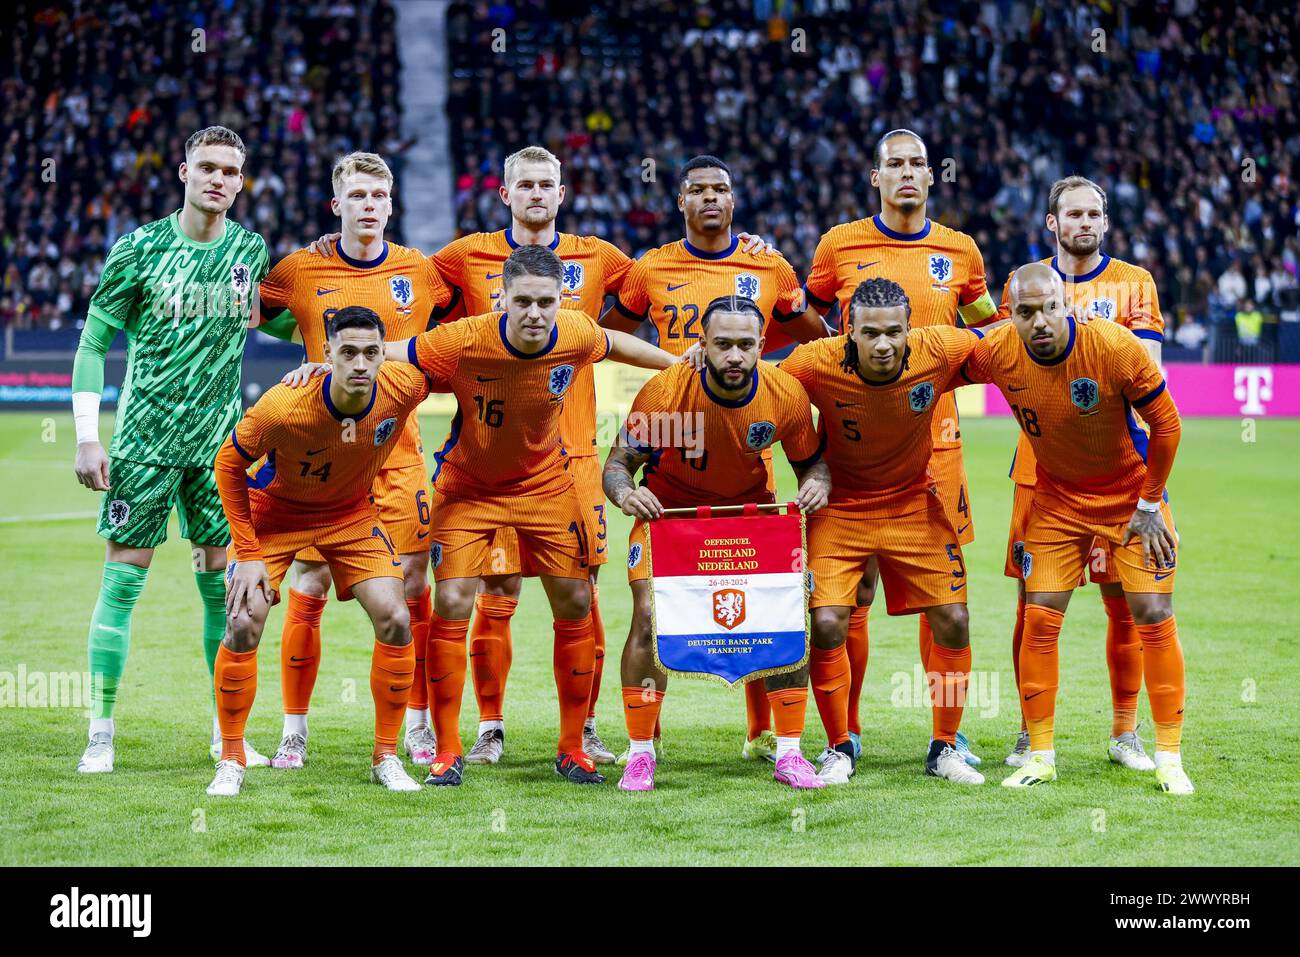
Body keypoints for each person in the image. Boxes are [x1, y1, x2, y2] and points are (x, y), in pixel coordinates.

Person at [383, 244, 680, 786]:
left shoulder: (574, 330)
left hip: (546, 485)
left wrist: (677, 364)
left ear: (561, 298)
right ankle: (447, 750)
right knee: (452, 600)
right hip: (469, 487)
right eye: (523, 302)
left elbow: (616, 343)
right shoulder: (464, 337)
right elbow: (391, 351)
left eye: (546, 301)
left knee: (574, 599)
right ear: (503, 297)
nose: (536, 313)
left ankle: (572, 746)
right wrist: (325, 365)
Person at [606, 154, 829, 763]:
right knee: (651, 615)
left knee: (771, 612)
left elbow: (819, 333)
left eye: (721, 189)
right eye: (697, 190)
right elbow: (608, 335)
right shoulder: (650, 267)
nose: (710, 198)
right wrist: (666, 367)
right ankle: (641, 745)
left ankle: (771, 740)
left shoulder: (768, 264)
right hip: (674, 444)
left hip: (745, 480)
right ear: (680, 201)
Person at [71, 126, 271, 774]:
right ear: (183, 171)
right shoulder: (140, 249)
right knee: (123, 584)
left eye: (229, 170)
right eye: (206, 166)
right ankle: (100, 730)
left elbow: (291, 318)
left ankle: (225, 730)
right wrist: (85, 434)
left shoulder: (250, 252)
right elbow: (93, 344)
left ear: (241, 182)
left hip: (220, 452)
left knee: (222, 594)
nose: (217, 178)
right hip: (143, 445)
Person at [254, 151, 455, 770]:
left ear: (391, 205)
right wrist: (306, 352)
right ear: (335, 205)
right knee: (309, 583)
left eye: (378, 196)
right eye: (357, 196)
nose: (368, 206)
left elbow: (446, 334)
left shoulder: (420, 272)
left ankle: (416, 725)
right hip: (324, 460)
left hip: (398, 457)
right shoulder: (298, 269)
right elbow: (254, 314)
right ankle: (294, 729)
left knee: (413, 586)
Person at [960, 263, 1193, 795]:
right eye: (1025, 312)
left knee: (1152, 612)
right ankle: (1040, 755)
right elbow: (943, 357)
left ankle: (1169, 757)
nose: (1039, 321)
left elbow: (1168, 423)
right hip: (1057, 503)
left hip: (1129, 501)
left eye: (1048, 308)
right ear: (1009, 315)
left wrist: (1152, 503)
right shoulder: (997, 350)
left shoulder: (1113, 347)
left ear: (1067, 303)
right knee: (1039, 617)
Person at [802, 129, 996, 766]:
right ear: (875, 176)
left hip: (937, 447)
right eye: (895, 165)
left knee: (938, 599)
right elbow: (807, 317)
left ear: (931, 176)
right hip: (858, 445)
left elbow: (988, 327)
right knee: (849, 597)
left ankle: (946, 736)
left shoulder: (960, 250)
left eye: (917, 163)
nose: (907, 173)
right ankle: (845, 732)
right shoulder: (840, 243)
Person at [975, 175, 1167, 771]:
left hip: (1117, 467)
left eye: (1093, 214)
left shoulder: (1134, 284)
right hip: (1038, 472)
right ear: (1051, 224)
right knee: (1032, 601)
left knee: (1123, 599)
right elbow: (1001, 352)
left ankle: (1124, 731)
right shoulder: (1024, 285)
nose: (1083, 223)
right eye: (1072, 214)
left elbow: (1147, 376)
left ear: (1104, 223)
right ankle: (1031, 731)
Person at [208, 306, 437, 796]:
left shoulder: (404, 387)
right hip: (274, 516)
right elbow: (227, 464)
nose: (360, 364)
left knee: (397, 617)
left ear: (384, 354)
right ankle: (231, 758)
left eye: (371, 353)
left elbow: (461, 363)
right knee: (243, 621)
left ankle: (386, 757)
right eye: (347, 352)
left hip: (351, 515)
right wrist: (246, 552)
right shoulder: (283, 406)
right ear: (326, 352)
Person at [781, 278, 986, 786]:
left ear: (910, 328)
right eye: (869, 333)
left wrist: (1068, 323)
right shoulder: (814, 361)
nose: (883, 344)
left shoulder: (939, 349)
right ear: (848, 329)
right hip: (840, 508)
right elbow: (766, 396)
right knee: (827, 622)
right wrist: (812, 468)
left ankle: (945, 749)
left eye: (894, 332)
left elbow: (1008, 342)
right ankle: (838, 747)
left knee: (954, 620)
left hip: (914, 504)